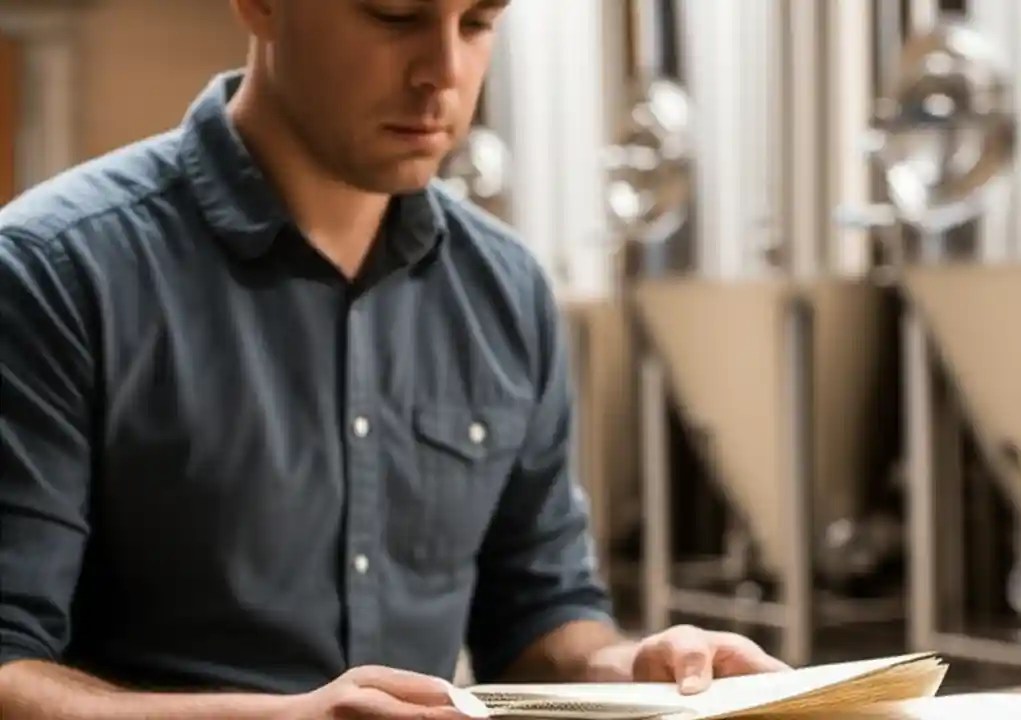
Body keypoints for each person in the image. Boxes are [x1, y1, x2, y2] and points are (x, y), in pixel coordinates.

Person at [0, 0, 789, 717]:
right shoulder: (53, 273)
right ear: (261, 7)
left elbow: (539, 614)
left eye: (477, 23)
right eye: (395, 16)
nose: (443, 73)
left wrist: (636, 669)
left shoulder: (505, 289)